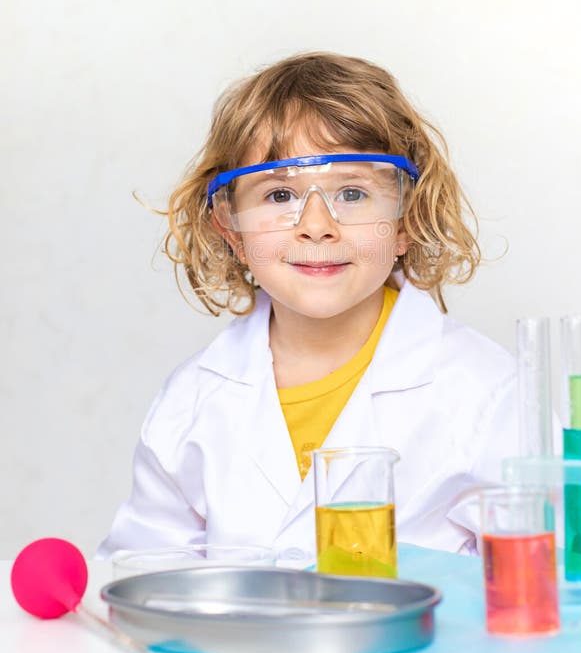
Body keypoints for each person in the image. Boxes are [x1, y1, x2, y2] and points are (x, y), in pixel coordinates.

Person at [98, 52, 517, 560]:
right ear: (230, 229)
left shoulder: (489, 393)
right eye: (278, 195)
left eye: (353, 193)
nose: (317, 224)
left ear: (407, 220)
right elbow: (144, 574)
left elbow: (546, 583)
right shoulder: (191, 404)